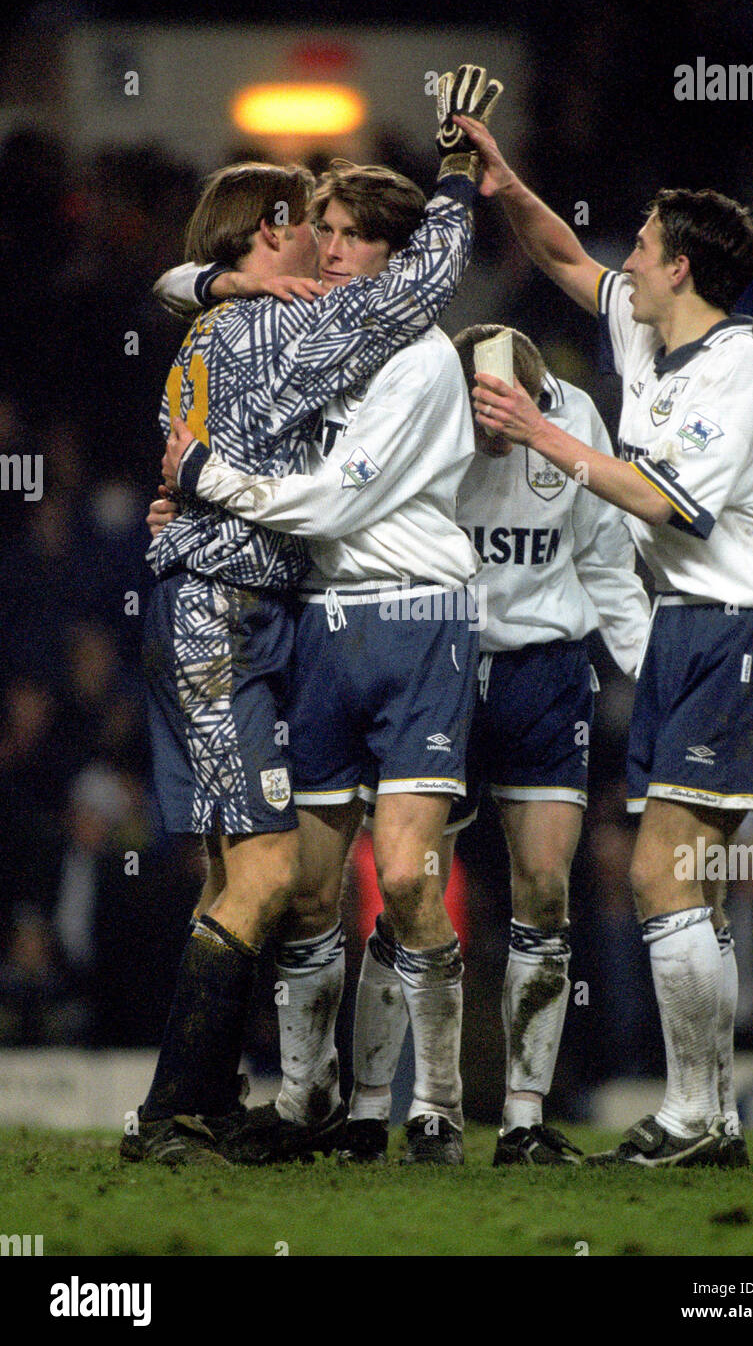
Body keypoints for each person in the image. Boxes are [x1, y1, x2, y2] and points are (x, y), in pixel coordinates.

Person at [124, 68, 496, 1167]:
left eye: (334, 230)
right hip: (226, 618)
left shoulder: (216, 321)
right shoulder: (274, 336)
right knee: (271, 874)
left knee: (239, 869)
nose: (320, 251)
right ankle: (172, 1112)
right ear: (261, 243)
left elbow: (170, 285)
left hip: (240, 612)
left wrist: (200, 283)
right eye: (301, 229)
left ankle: (221, 1097)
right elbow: (425, 274)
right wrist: (460, 168)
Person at [456, 114, 753, 1168]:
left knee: (661, 874)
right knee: (684, 882)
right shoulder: (648, 336)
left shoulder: (736, 374)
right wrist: (503, 177)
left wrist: (540, 433)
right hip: (685, 637)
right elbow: (561, 255)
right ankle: (709, 1115)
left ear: (680, 267)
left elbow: (671, 506)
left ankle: (696, 1113)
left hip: (736, 632)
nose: (627, 258)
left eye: (644, 246)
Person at [337, 325, 652, 1166]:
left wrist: (654, 687)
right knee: (407, 891)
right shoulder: (423, 421)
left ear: (534, 398)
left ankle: (521, 1119)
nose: (488, 433)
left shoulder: (576, 420)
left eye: (503, 415)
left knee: (545, 889)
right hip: (437, 660)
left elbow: (609, 567)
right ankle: (383, 1106)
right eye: (476, 416)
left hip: (544, 677)